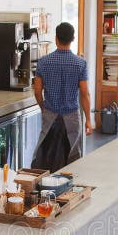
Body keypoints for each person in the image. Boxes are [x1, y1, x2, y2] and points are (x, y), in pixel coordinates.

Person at [31, 22, 92, 172]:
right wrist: (89, 120)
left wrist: (43, 108)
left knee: (45, 157)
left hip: (50, 116)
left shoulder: (43, 62)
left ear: (56, 38)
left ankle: (45, 190)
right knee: (72, 158)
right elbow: (85, 94)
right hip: (72, 117)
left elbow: (37, 90)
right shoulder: (80, 64)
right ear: (73, 39)